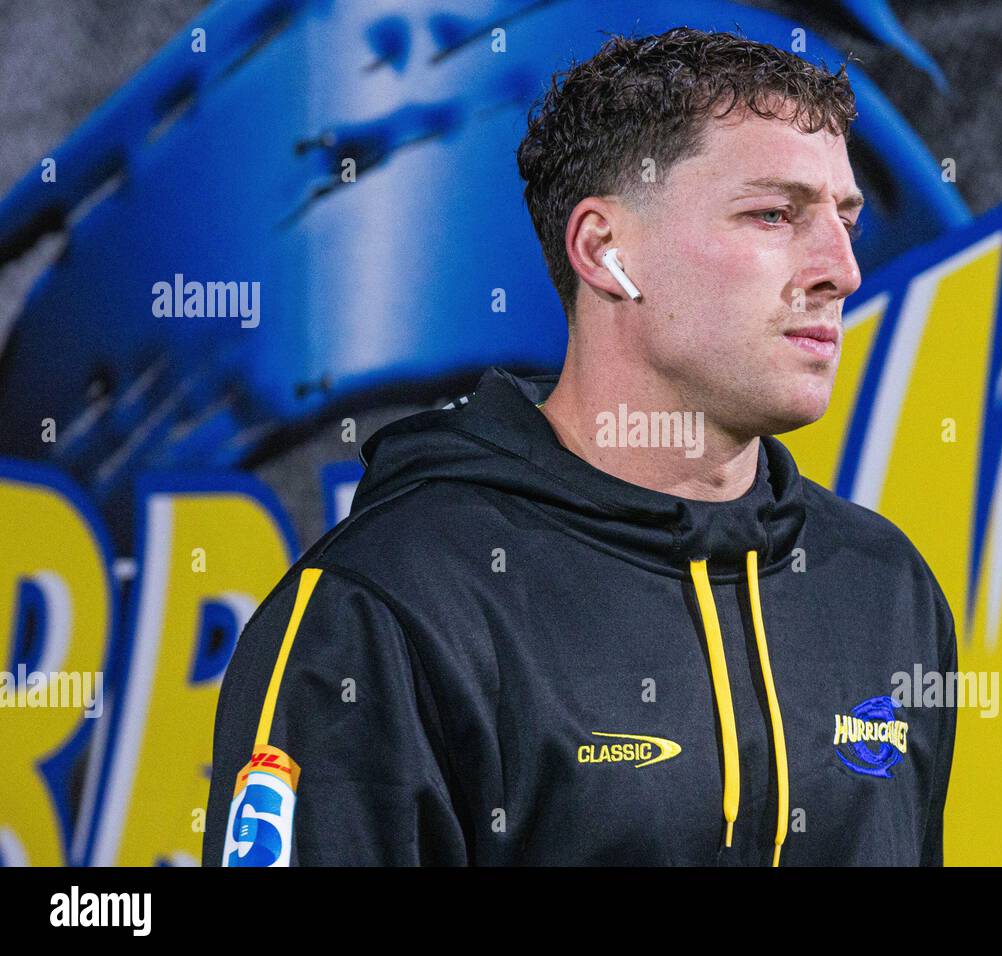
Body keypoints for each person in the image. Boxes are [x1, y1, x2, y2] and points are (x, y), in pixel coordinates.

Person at [204, 26, 957, 867]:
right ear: (606, 250)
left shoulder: (887, 588)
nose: (842, 270)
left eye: (845, 220)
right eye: (774, 214)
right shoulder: (384, 606)